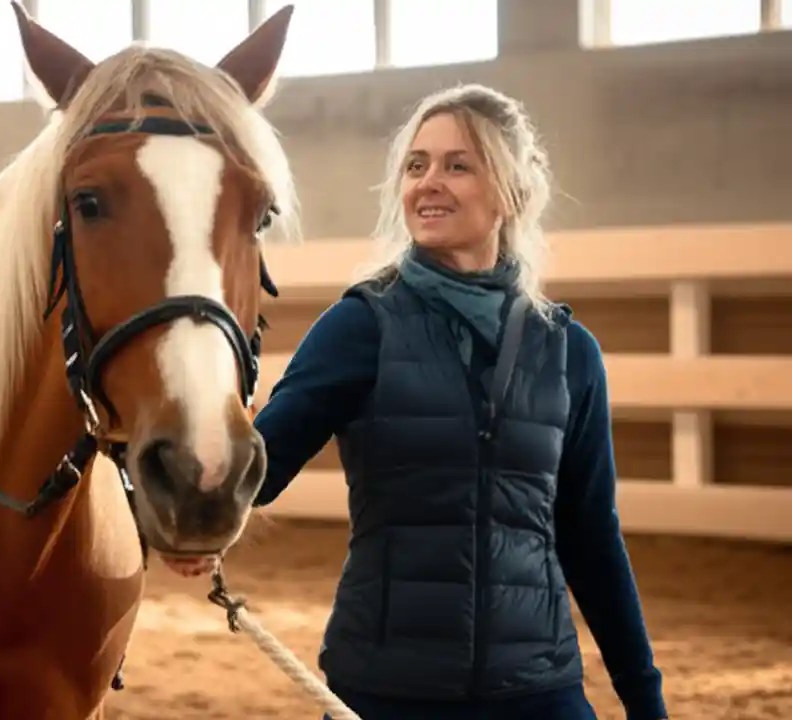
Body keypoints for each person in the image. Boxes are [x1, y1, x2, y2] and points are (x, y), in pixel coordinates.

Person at [164, 84, 668, 719]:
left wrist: (643, 698)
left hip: (537, 686)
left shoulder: (570, 353)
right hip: (386, 689)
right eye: (416, 165)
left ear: (510, 192)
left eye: (459, 165)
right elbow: (261, 463)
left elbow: (591, 534)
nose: (430, 182)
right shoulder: (360, 326)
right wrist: (197, 517)